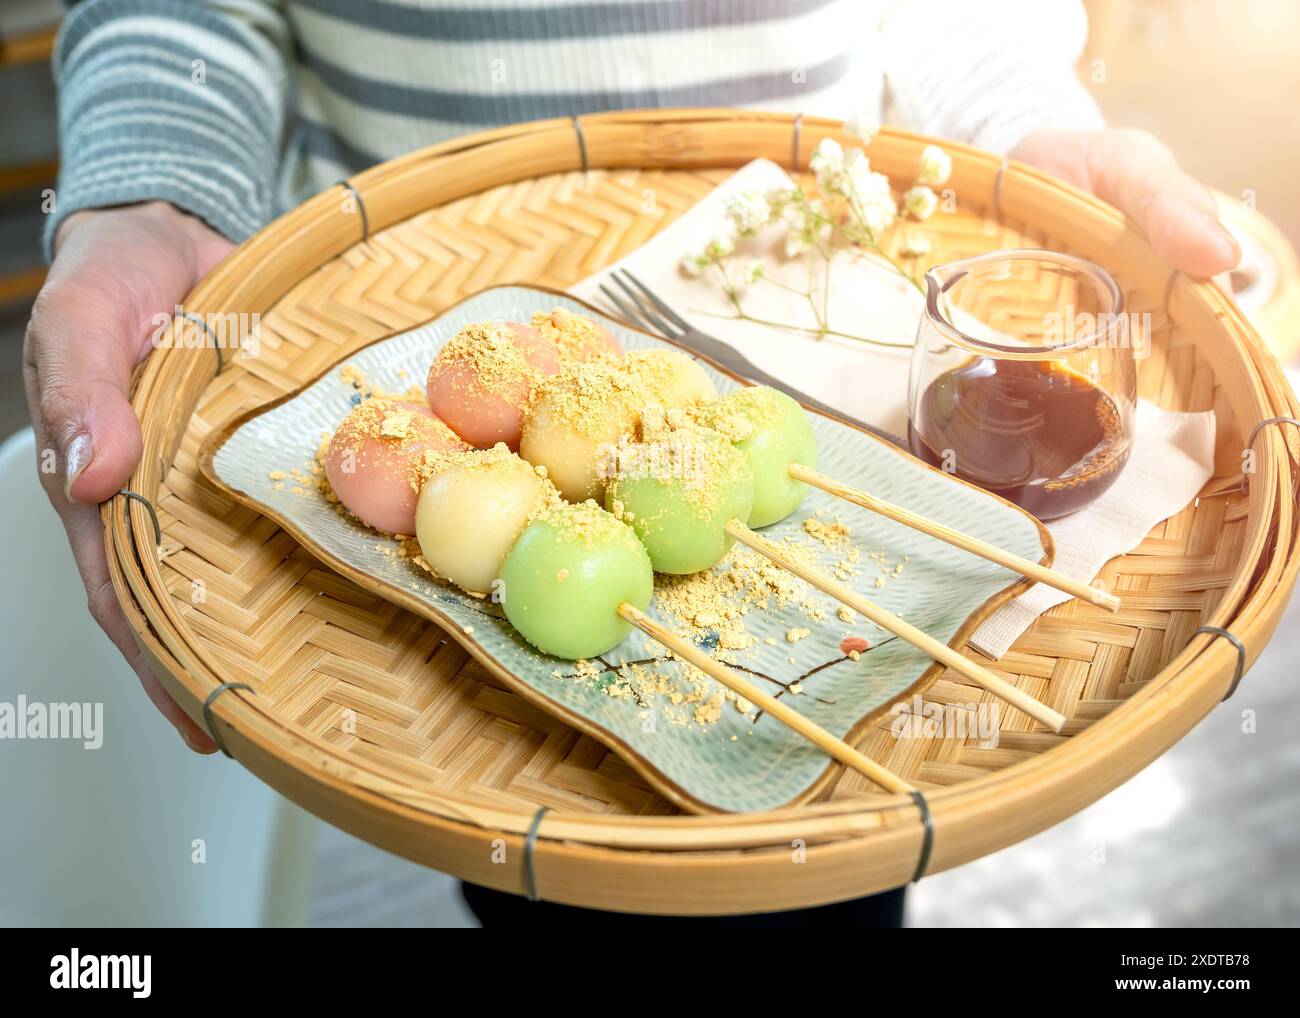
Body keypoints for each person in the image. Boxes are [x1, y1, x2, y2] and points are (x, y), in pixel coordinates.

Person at [24, 0, 1238, 925]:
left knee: (833, 869)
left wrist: (1013, 115)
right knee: (527, 883)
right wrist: (157, 192)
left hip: (799, 303)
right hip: (400, 270)